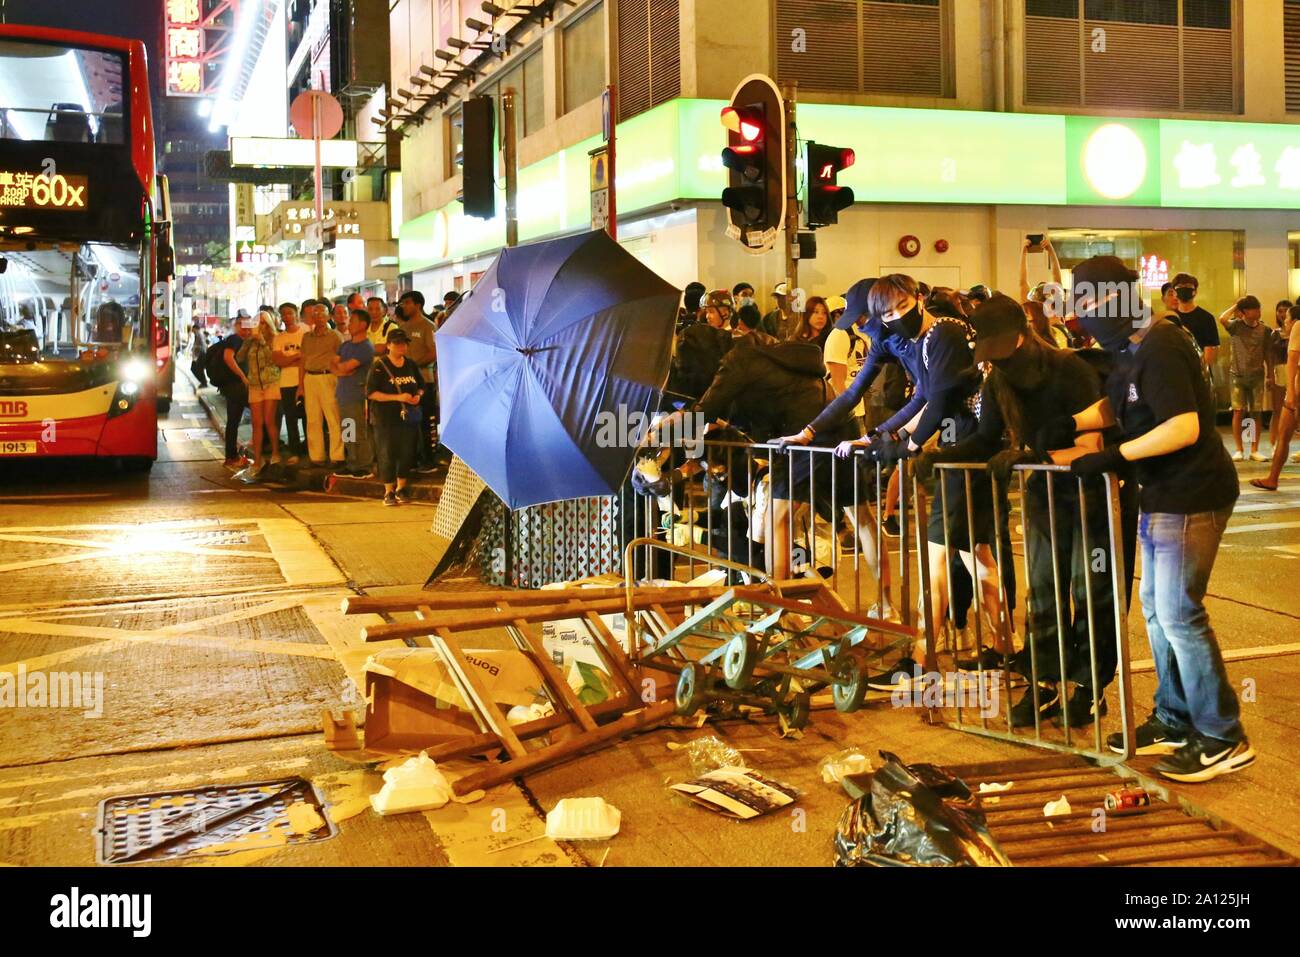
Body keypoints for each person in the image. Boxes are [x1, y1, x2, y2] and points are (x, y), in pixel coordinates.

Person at [1066, 256, 1251, 782]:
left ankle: (1222, 734)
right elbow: (1117, 402)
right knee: (1156, 609)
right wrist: (1072, 423)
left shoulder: (1163, 343)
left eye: (1089, 305)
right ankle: (1173, 717)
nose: (1083, 317)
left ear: (1118, 300)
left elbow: (1184, 426)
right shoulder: (1130, 349)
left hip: (1192, 493)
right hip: (1161, 494)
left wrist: (1115, 456)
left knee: (1179, 613)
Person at [915, 295, 1118, 727]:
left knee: (1090, 594)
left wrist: (1037, 454)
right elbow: (987, 437)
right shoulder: (998, 381)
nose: (999, 362)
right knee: (1043, 594)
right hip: (1045, 497)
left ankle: (1087, 689)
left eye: (1004, 351)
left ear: (1025, 335)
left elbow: (1093, 444)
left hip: (1091, 495)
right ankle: (1043, 682)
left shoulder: (1070, 370)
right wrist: (939, 455)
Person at [857, 274, 1004, 689]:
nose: (895, 317)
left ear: (919, 298)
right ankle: (1005, 646)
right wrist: (889, 437)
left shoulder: (944, 332)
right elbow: (924, 400)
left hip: (968, 452)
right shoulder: (931, 338)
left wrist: (909, 446)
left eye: (902, 306)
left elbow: (938, 400)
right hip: (967, 452)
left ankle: (923, 657)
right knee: (977, 558)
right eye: (886, 313)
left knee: (940, 561)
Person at [367, 328, 426, 505]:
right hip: (385, 418)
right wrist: (397, 397)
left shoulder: (410, 364)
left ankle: (401, 487)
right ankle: (388, 490)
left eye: (404, 343)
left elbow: (421, 385)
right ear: (388, 345)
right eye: (397, 343)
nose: (401, 347)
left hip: (408, 417)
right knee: (386, 452)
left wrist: (418, 396)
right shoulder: (379, 366)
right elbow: (371, 393)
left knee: (407, 451)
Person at [1251, 303, 1300, 490]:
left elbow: (1293, 361)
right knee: (1283, 435)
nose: (1285, 322)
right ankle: (1272, 478)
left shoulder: (1298, 326)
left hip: (1296, 391)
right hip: (1295, 390)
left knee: (1284, 435)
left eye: (1287, 318)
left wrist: (1291, 394)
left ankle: (1272, 478)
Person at [1217, 295, 1269, 462]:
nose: (1259, 312)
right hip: (1237, 375)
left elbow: (1267, 353)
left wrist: (1270, 375)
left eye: (1259, 308)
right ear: (1245, 312)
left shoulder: (1264, 329)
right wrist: (1236, 305)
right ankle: (1239, 449)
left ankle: (1254, 449)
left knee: (1256, 413)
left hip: (1257, 375)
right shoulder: (1235, 326)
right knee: (1238, 411)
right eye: (1255, 309)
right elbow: (1222, 318)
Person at [395, 291, 440, 472]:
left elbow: (433, 352)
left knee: (425, 422)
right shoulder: (403, 328)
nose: (403, 306)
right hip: (406, 383)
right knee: (408, 423)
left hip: (424, 381)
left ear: (418, 305)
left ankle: (429, 460)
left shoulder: (428, 326)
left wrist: (413, 365)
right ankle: (412, 459)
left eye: (407, 303)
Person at [236, 311, 282, 475]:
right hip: (255, 385)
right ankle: (257, 460)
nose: (260, 326)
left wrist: (261, 340)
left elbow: (274, 360)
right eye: (258, 322)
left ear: (268, 324)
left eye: (263, 322)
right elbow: (239, 357)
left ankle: (276, 453)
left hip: (271, 382)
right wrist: (248, 340)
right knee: (256, 423)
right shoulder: (251, 341)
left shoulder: (274, 338)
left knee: (269, 420)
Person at [333, 309, 376, 479]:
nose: (349, 324)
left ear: (363, 324)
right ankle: (352, 462)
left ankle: (363, 465)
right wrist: (340, 370)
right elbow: (332, 364)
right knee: (347, 429)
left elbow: (345, 366)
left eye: (352, 321)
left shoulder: (365, 347)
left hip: (356, 394)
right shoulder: (346, 345)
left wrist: (340, 369)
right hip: (343, 393)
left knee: (357, 429)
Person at [301, 300, 346, 467]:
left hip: (328, 377)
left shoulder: (335, 336)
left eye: (322, 313)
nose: (319, 316)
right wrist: (300, 385)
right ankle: (316, 456)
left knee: (333, 418)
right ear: (312, 317)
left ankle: (337, 456)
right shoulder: (306, 337)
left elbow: (342, 358)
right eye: (315, 314)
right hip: (310, 378)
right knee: (313, 419)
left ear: (328, 316)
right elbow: (302, 360)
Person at [214, 317, 253, 469]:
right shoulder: (235, 339)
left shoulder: (244, 339)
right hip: (237, 386)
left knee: (235, 421)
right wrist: (243, 377)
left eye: (249, 325)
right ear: (236, 326)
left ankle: (232, 455)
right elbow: (228, 358)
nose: (246, 328)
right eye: (243, 325)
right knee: (234, 421)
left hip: (237, 386)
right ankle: (231, 456)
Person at [272, 302, 307, 465]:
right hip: (286, 383)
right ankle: (295, 451)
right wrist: (296, 357)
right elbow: (278, 360)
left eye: (289, 313)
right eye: (283, 314)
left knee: (309, 417)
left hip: (307, 381)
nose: (287, 316)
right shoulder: (279, 338)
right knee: (291, 418)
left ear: (296, 313)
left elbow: (308, 358)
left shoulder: (306, 332)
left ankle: (310, 449)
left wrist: (290, 359)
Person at [1169, 273, 1220, 374]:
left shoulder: (1206, 318)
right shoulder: (1170, 318)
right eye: (1180, 287)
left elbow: (1210, 348)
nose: (1184, 289)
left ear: (1195, 292)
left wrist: (1202, 371)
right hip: (1175, 372)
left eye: (1188, 287)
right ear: (1174, 293)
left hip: (1198, 373)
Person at [1268, 300, 1293, 452]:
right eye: (1280, 311)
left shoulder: (1296, 331)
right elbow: (1270, 357)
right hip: (1279, 370)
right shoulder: (1274, 333)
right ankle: (1273, 444)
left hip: (1295, 371)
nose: (1282, 314)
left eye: (1286, 311)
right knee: (1277, 410)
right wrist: (1269, 376)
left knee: (1295, 409)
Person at [1017, 235, 1062, 304]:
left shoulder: (1031, 310)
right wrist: (1051, 250)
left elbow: (1022, 283)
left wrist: (1024, 252)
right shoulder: (1056, 309)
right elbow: (1057, 278)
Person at [189, 322, 208, 388]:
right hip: (198, 355)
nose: (192, 331)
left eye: (193, 330)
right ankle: (203, 382)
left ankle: (204, 383)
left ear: (196, 329)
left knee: (198, 369)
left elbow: (203, 346)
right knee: (195, 368)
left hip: (201, 354)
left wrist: (195, 347)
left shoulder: (199, 334)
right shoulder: (198, 335)